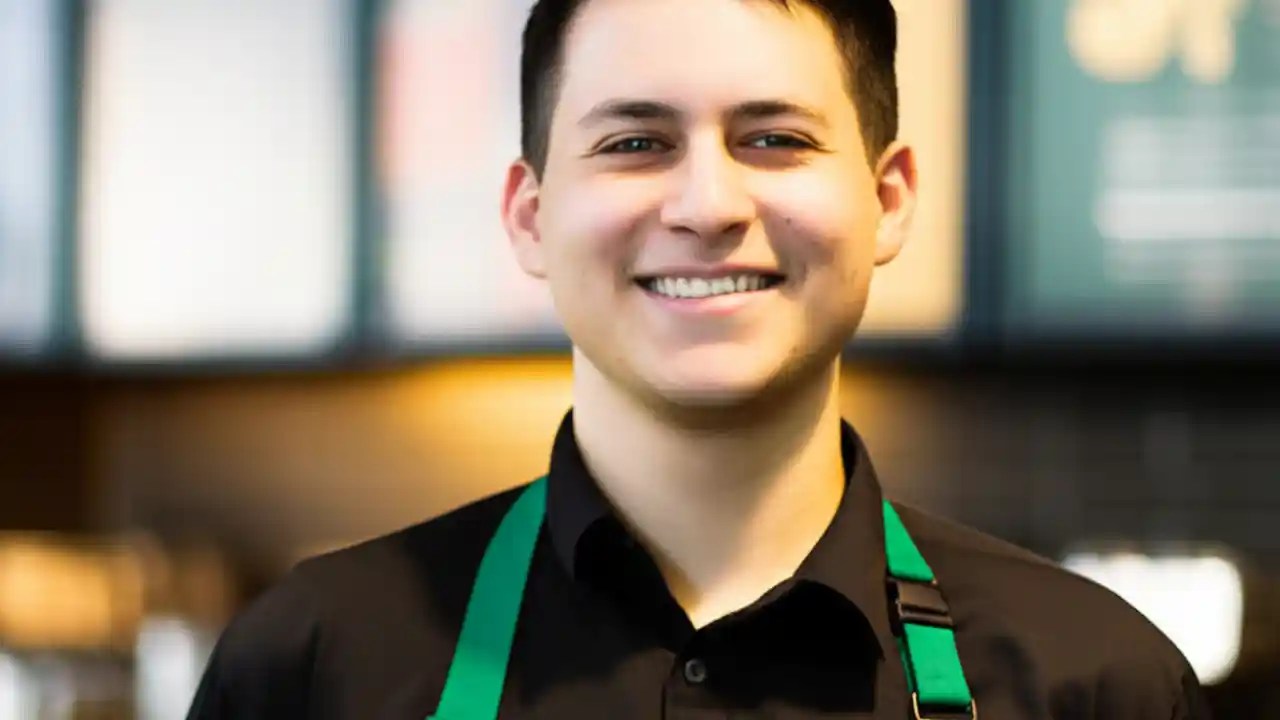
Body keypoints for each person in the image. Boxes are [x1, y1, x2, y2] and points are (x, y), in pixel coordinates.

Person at [187, 0, 1213, 717]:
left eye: (773, 140)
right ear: (530, 216)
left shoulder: (1096, 681)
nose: (707, 205)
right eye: (635, 143)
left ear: (886, 199)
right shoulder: (312, 666)